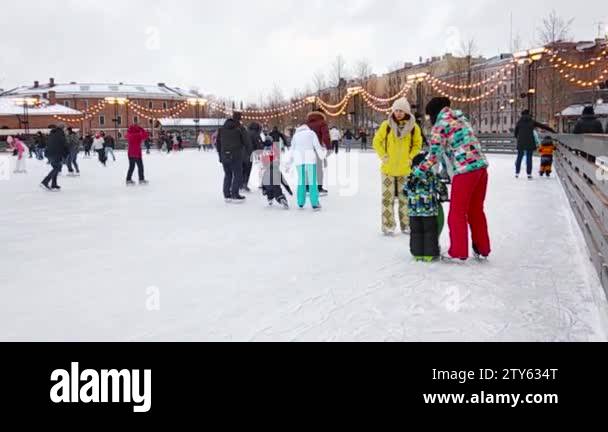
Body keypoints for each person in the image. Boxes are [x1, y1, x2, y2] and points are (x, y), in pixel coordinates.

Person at [414, 97, 490, 262]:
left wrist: (418, 172)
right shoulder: (461, 119)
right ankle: (482, 247)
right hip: (481, 169)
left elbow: (433, 155)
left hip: (465, 171)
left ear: (433, 113)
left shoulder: (440, 124)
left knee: (457, 212)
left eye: (429, 116)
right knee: (475, 210)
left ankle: (458, 251)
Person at [372, 97, 423, 236]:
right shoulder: (386, 125)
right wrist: (383, 156)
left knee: (404, 199)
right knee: (387, 199)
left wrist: (410, 157)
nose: (398, 113)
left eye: (401, 110)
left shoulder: (413, 127)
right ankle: (388, 225)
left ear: (406, 111)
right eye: (396, 110)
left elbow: (418, 144)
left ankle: (406, 225)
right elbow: (376, 142)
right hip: (388, 169)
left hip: (404, 170)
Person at [405, 153, 449, 262]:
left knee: (416, 232)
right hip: (429, 211)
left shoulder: (410, 177)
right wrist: (443, 196)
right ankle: (429, 254)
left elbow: (405, 191)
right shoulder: (431, 176)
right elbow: (441, 187)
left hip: (414, 212)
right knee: (430, 231)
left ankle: (417, 254)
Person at [289, 122, 328, 211]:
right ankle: (315, 203)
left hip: (299, 159)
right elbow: (317, 146)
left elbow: (292, 149)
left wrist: (288, 162)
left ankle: (300, 202)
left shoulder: (296, 136)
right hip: (310, 159)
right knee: (312, 180)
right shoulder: (311, 133)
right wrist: (322, 156)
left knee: (301, 180)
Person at [217, 113, 250, 203]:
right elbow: (246, 142)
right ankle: (235, 194)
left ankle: (227, 195)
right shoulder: (240, 128)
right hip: (236, 155)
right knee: (238, 174)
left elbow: (218, 144)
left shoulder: (222, 129)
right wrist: (249, 152)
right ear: (239, 119)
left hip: (224, 155)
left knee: (228, 174)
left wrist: (220, 156)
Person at [514, 110, 555, 180]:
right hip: (530, 141)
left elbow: (515, 132)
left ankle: (517, 173)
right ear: (528, 114)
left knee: (519, 157)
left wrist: (518, 138)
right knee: (529, 158)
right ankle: (529, 174)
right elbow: (542, 126)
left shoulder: (519, 122)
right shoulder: (531, 121)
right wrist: (552, 130)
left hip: (521, 142)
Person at [261, 136, 292, 209]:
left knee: (269, 190)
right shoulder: (274, 151)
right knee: (278, 193)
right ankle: (282, 199)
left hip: (267, 179)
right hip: (275, 181)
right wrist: (289, 190)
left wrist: (263, 190)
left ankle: (270, 199)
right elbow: (283, 181)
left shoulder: (263, 151)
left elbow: (262, 182)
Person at [306, 111, 331, 196]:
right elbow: (325, 135)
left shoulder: (306, 124)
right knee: (318, 168)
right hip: (316, 149)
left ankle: (307, 187)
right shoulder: (322, 122)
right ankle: (319, 188)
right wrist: (329, 147)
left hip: (306, 150)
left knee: (308, 167)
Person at [41, 125, 69, 191]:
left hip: (49, 153)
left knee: (55, 168)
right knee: (57, 168)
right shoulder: (61, 134)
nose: (66, 130)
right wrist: (66, 154)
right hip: (56, 153)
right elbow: (64, 145)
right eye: (65, 128)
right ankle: (45, 181)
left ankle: (54, 184)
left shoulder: (52, 133)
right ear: (63, 128)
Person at [244, 122, 263, 192]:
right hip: (249, 154)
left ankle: (240, 185)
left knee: (242, 170)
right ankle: (244, 184)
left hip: (240, 153)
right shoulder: (255, 134)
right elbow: (259, 145)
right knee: (247, 170)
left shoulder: (245, 132)